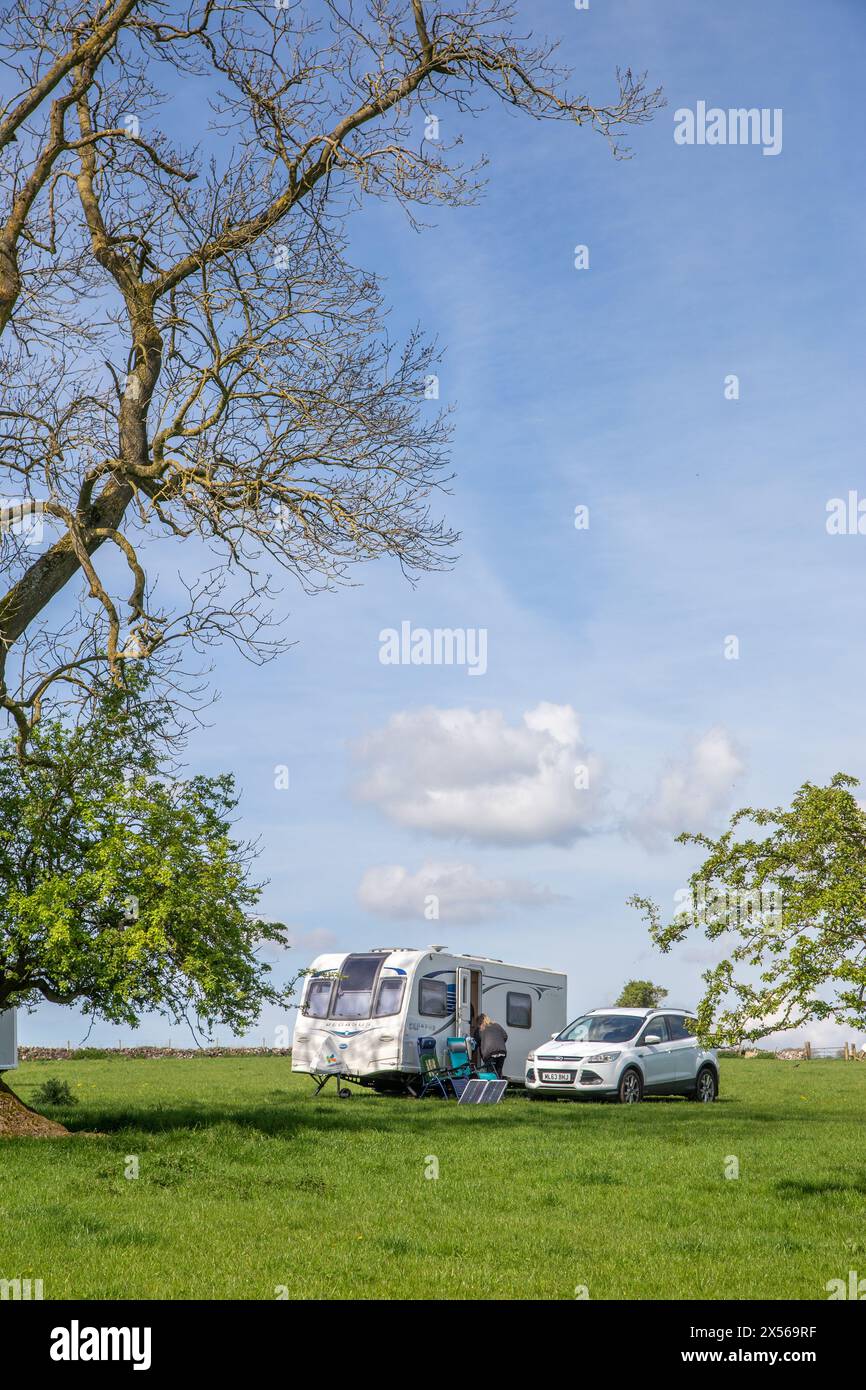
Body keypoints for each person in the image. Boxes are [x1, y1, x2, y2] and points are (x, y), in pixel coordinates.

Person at [473, 1012, 508, 1078]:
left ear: (479, 1022)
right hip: (502, 1052)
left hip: (490, 1053)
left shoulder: (480, 1029)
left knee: (490, 1073)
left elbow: (476, 1042)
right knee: (498, 1071)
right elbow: (505, 1036)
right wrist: (499, 1044)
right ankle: (499, 1086)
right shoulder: (497, 1025)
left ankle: (491, 1087)